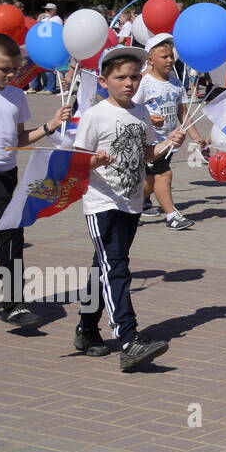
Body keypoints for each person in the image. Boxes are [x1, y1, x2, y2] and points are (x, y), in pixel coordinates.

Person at [73, 44, 185, 370]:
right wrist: (96, 160)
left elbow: (148, 153)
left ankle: (87, 329)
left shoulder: (138, 112)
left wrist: (169, 142)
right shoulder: (96, 115)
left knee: (103, 269)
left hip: (131, 202)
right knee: (117, 268)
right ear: (104, 80)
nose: (129, 83)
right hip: (102, 203)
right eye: (121, 77)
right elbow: (78, 163)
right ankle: (128, 338)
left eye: (134, 77)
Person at [0, 33, 70, 328]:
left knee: (11, 235)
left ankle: (14, 305)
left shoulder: (16, 95)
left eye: (14, 68)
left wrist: (50, 126)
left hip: (6, 176)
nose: (12, 74)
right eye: (4, 69)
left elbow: (19, 139)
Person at [135, 34, 205, 231]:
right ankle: (172, 215)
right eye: (163, 56)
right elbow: (132, 109)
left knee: (150, 180)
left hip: (169, 143)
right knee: (164, 175)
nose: (169, 60)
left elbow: (183, 112)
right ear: (150, 60)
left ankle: (127, 208)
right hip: (149, 142)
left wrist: (196, 137)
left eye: (171, 56)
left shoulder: (175, 83)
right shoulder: (144, 83)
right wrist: (149, 118)